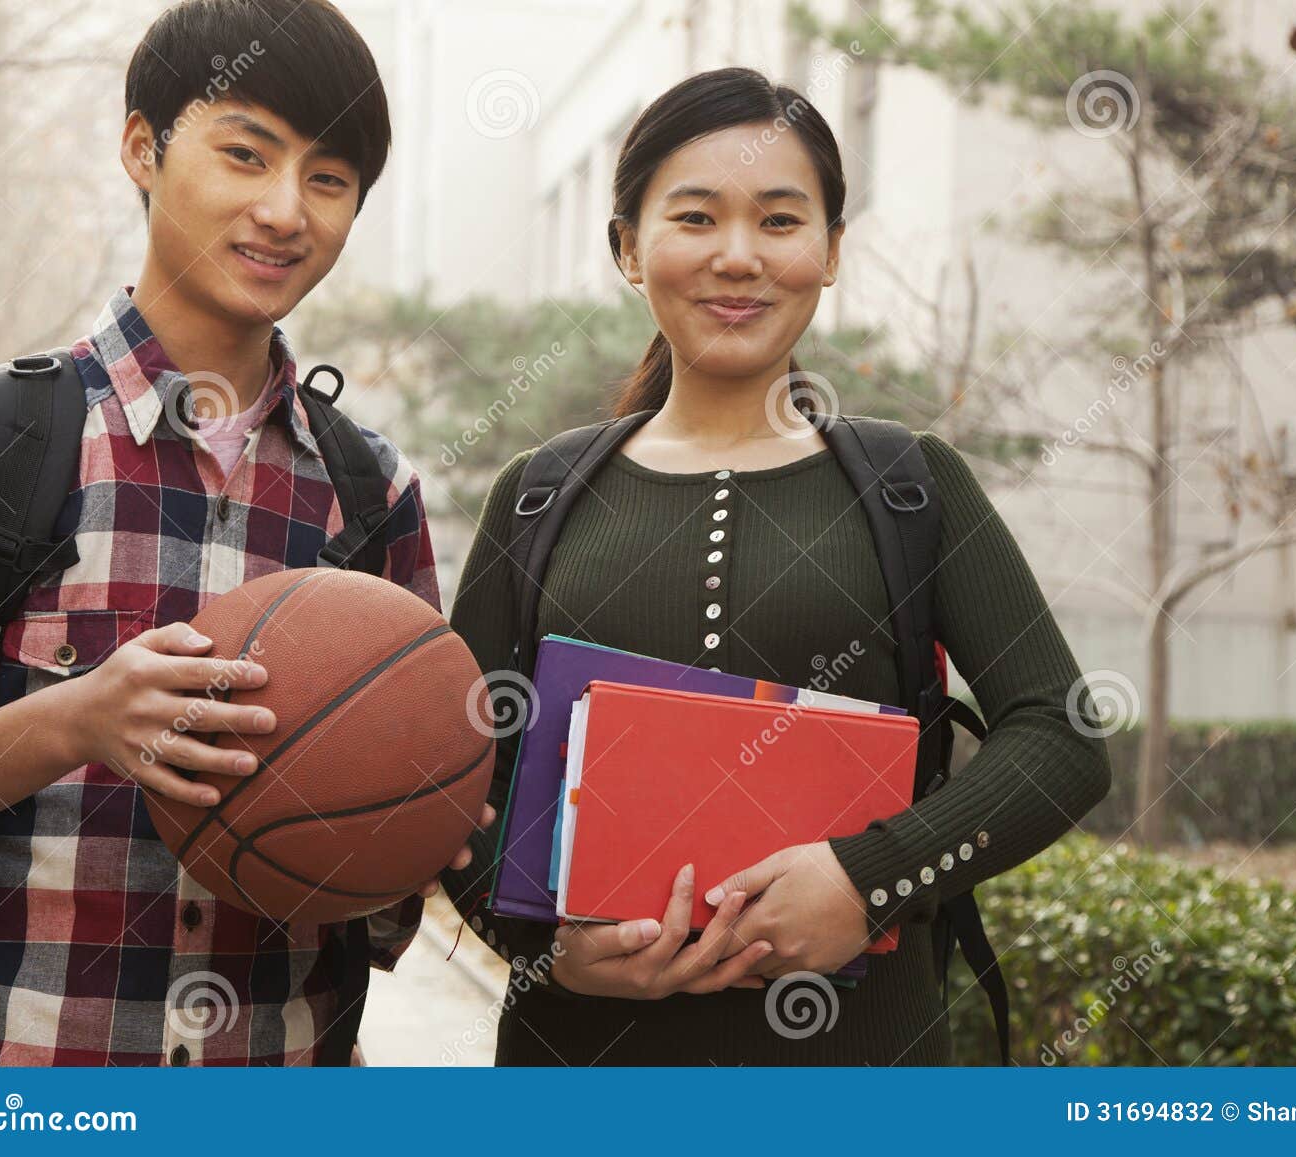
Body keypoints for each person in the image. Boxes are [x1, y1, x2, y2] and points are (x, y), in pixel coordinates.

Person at [0, 0, 488, 1066]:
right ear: (142, 147)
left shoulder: (368, 490)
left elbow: (384, 886)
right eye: (246, 154)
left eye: (328, 180)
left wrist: (419, 809)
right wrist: (73, 722)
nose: (285, 210)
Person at [441, 67, 1112, 1065]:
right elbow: (447, 788)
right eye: (696, 217)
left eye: (782, 220)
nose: (739, 256)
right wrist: (547, 946)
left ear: (833, 249)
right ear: (628, 246)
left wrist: (867, 879)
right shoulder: (536, 498)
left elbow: (1060, 734)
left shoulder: (912, 487)